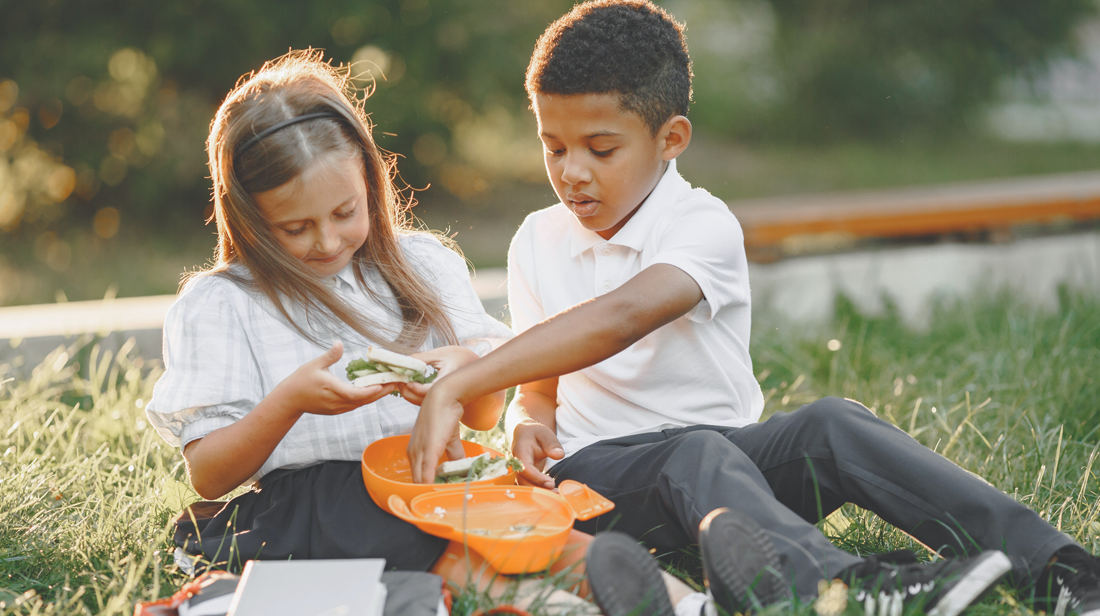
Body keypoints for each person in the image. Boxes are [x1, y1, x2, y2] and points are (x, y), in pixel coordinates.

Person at [408, 2, 1100, 615]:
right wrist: (528, 421)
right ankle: (847, 590)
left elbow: (623, 317)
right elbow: (539, 391)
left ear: (671, 139)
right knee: (693, 452)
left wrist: (464, 382)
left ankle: (1061, 571)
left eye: (601, 148)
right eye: (553, 147)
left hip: (730, 477)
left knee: (833, 423)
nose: (571, 172)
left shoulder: (702, 225)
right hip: (600, 481)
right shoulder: (537, 240)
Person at [143, 50, 617, 614]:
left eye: (345, 212)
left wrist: (463, 373)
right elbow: (209, 475)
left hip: (435, 486)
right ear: (249, 218)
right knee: (376, 511)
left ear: (369, 181)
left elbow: (485, 415)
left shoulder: (424, 265)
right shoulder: (223, 303)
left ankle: (673, 600)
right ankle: (531, 596)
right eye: (295, 227)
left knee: (522, 523)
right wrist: (290, 402)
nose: (327, 241)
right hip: (317, 506)